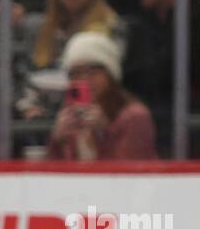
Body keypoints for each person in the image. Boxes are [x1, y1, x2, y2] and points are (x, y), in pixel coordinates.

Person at [17, 0, 126, 118]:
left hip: (90, 112)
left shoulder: (112, 26)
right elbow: (26, 76)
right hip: (41, 112)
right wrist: (27, 107)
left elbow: (108, 82)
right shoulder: (37, 27)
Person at [47, 31, 157, 160]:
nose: (84, 79)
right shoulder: (72, 117)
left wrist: (105, 133)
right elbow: (54, 177)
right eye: (75, 73)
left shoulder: (135, 117)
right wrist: (57, 142)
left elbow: (127, 173)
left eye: (92, 71)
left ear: (110, 75)